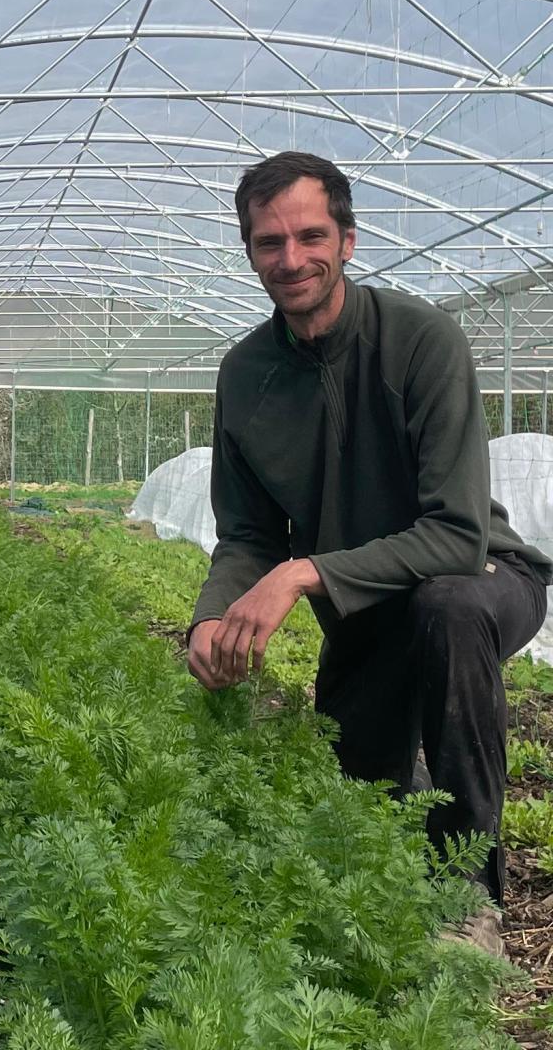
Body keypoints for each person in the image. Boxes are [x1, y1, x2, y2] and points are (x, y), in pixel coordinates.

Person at [187, 151, 551, 953]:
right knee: (363, 802)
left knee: (448, 610)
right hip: (366, 606)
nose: (291, 259)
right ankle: (410, 795)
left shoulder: (421, 341)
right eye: (268, 243)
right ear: (249, 252)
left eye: (311, 235)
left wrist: (303, 572)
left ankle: (468, 895)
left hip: (481, 576)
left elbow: (455, 534)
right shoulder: (246, 374)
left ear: (348, 240)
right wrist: (209, 619)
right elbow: (247, 532)